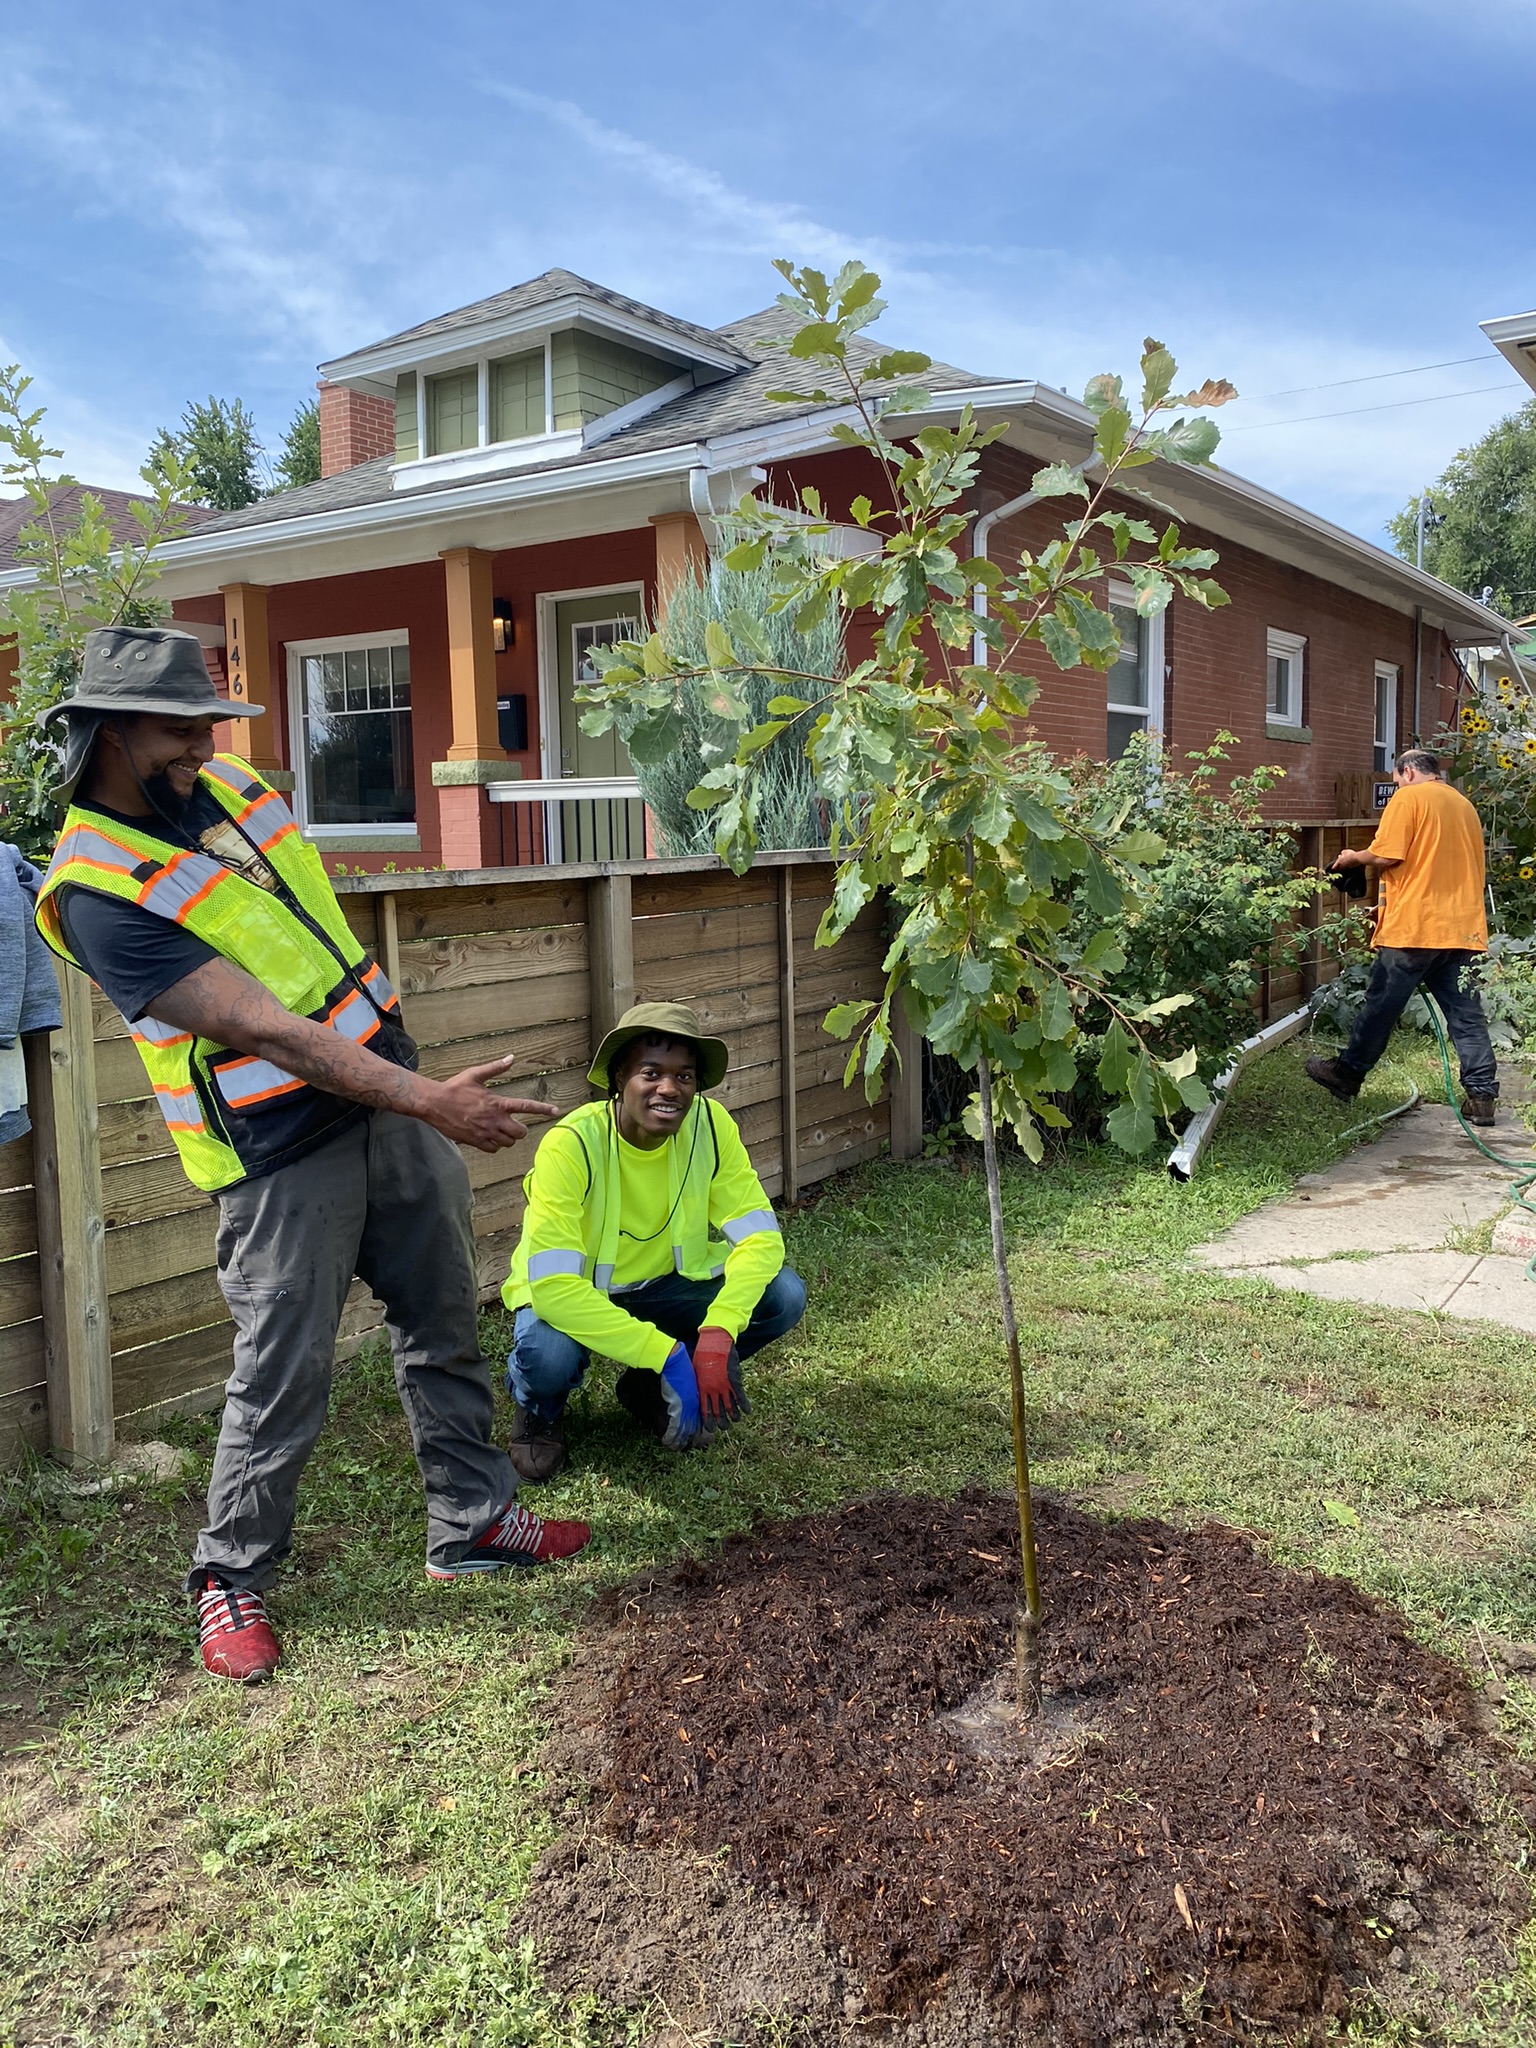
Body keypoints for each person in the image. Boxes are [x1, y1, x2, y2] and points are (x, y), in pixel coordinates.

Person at [34, 625, 591, 1686]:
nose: (201, 747)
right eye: (176, 731)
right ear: (106, 733)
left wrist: (407, 1088)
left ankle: (473, 1522)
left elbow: (306, 925)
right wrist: (430, 1099)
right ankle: (229, 1575)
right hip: (280, 1148)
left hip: (384, 1089)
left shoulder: (233, 789)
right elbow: (269, 1028)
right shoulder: (96, 888)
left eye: (208, 725)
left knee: (441, 1322)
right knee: (282, 1372)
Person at [502, 1001, 807, 1480]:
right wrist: (666, 1354)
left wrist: (718, 1332)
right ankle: (538, 1414)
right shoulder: (571, 1144)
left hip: (663, 1286)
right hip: (576, 1294)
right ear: (619, 1077)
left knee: (783, 1295)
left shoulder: (710, 1126)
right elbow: (556, 1287)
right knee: (548, 1356)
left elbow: (762, 1240)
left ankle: (646, 1391)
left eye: (685, 1076)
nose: (669, 1088)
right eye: (650, 1072)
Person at [1307, 746, 1498, 1124]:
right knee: (1466, 1017)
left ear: (1407, 773)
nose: (1396, 786)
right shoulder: (1464, 806)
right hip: (1461, 929)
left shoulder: (1409, 798)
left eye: (1395, 780)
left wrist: (1352, 858)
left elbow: (1388, 854)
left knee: (1380, 1007)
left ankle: (1347, 1075)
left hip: (1415, 929)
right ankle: (1482, 1096)